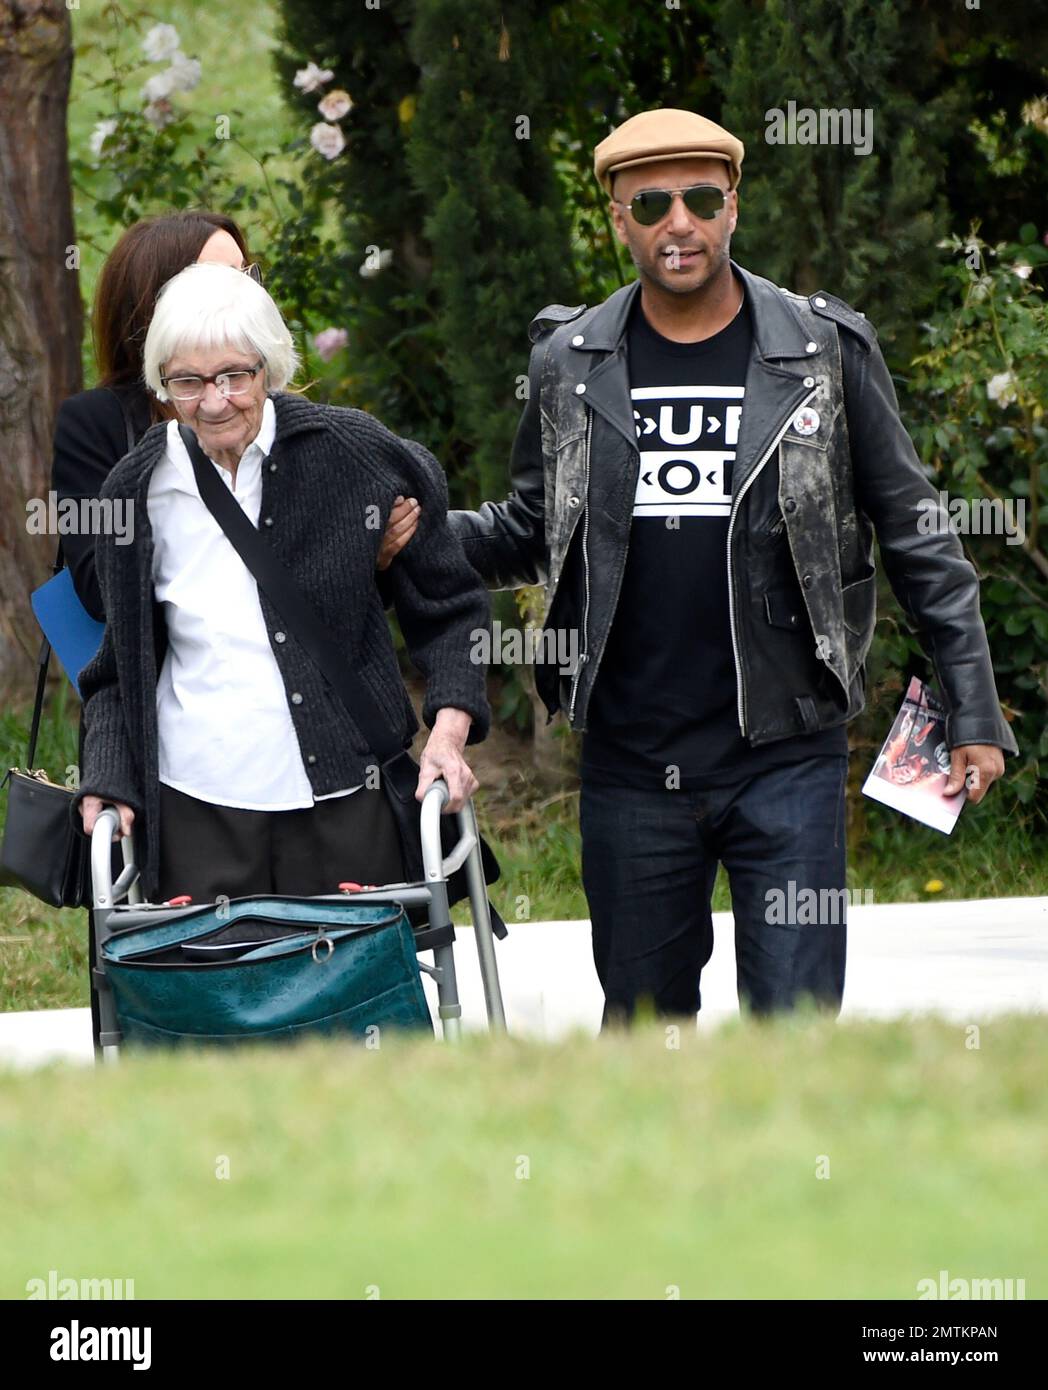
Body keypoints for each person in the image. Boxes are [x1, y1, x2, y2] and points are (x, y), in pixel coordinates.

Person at [447, 107, 1018, 1024]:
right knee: (643, 1029)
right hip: (632, 759)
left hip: (784, 752)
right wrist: (408, 536)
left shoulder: (822, 350)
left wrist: (973, 712)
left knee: (792, 1032)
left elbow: (918, 536)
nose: (680, 221)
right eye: (654, 203)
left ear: (733, 208)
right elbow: (531, 524)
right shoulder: (570, 359)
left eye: (701, 199)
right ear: (618, 220)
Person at [73, 262, 488, 907]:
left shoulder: (354, 454)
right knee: (220, 999)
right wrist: (104, 774)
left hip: (350, 794)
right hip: (196, 804)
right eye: (187, 381)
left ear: (268, 368)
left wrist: (449, 733)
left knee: (358, 996)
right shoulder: (135, 490)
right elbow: (118, 665)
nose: (212, 401)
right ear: (162, 384)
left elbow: (452, 608)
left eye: (234, 376)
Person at [52, 210, 419, 619]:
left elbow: (353, 607)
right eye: (223, 283)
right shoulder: (96, 423)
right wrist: (341, 546)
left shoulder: (279, 413)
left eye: (248, 278)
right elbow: (101, 590)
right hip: (179, 679)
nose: (247, 299)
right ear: (157, 306)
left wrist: (373, 554)